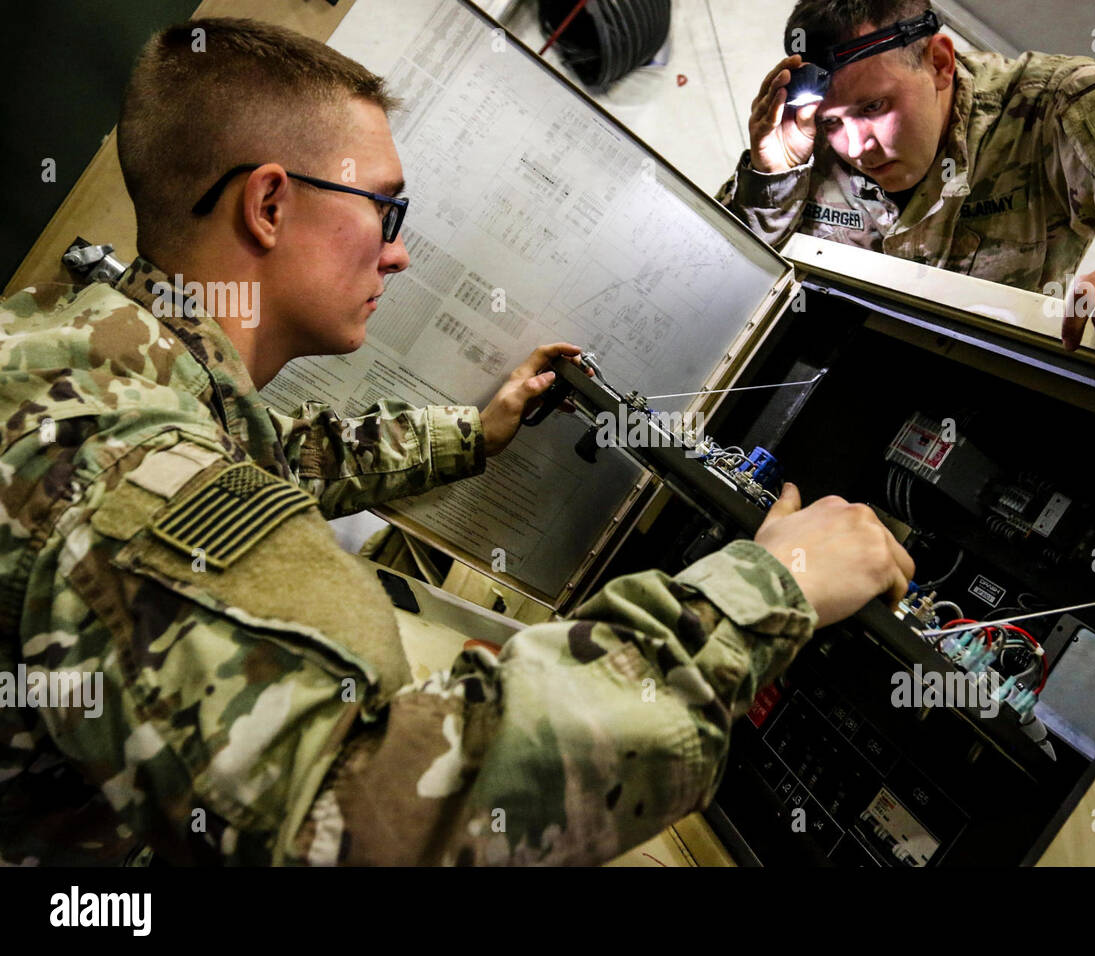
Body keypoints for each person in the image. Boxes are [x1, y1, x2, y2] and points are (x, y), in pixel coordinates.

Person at [0, 17, 913, 865]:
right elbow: (365, 815)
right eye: (385, 210)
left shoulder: (98, 361)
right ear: (270, 204)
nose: (398, 254)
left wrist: (475, 435)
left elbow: (274, 457)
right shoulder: (114, 473)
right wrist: (769, 592)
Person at [717, 0, 1095, 360]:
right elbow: (725, 294)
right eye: (833, 122)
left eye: (874, 108)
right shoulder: (800, 137)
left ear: (941, 63)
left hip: (989, 392)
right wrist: (773, 179)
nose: (855, 146)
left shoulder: (1048, 108)